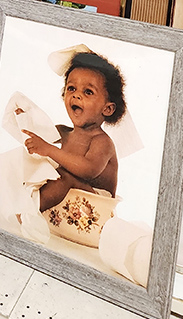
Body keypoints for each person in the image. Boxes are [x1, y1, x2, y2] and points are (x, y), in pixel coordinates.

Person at [20, 51, 126, 211]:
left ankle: (28, 211)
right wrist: (24, 118)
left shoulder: (102, 142)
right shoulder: (62, 132)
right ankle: (24, 202)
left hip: (97, 204)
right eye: (71, 88)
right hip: (71, 197)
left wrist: (49, 149)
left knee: (64, 176)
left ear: (108, 109)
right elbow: (36, 140)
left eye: (88, 92)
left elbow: (88, 170)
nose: (76, 95)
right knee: (37, 167)